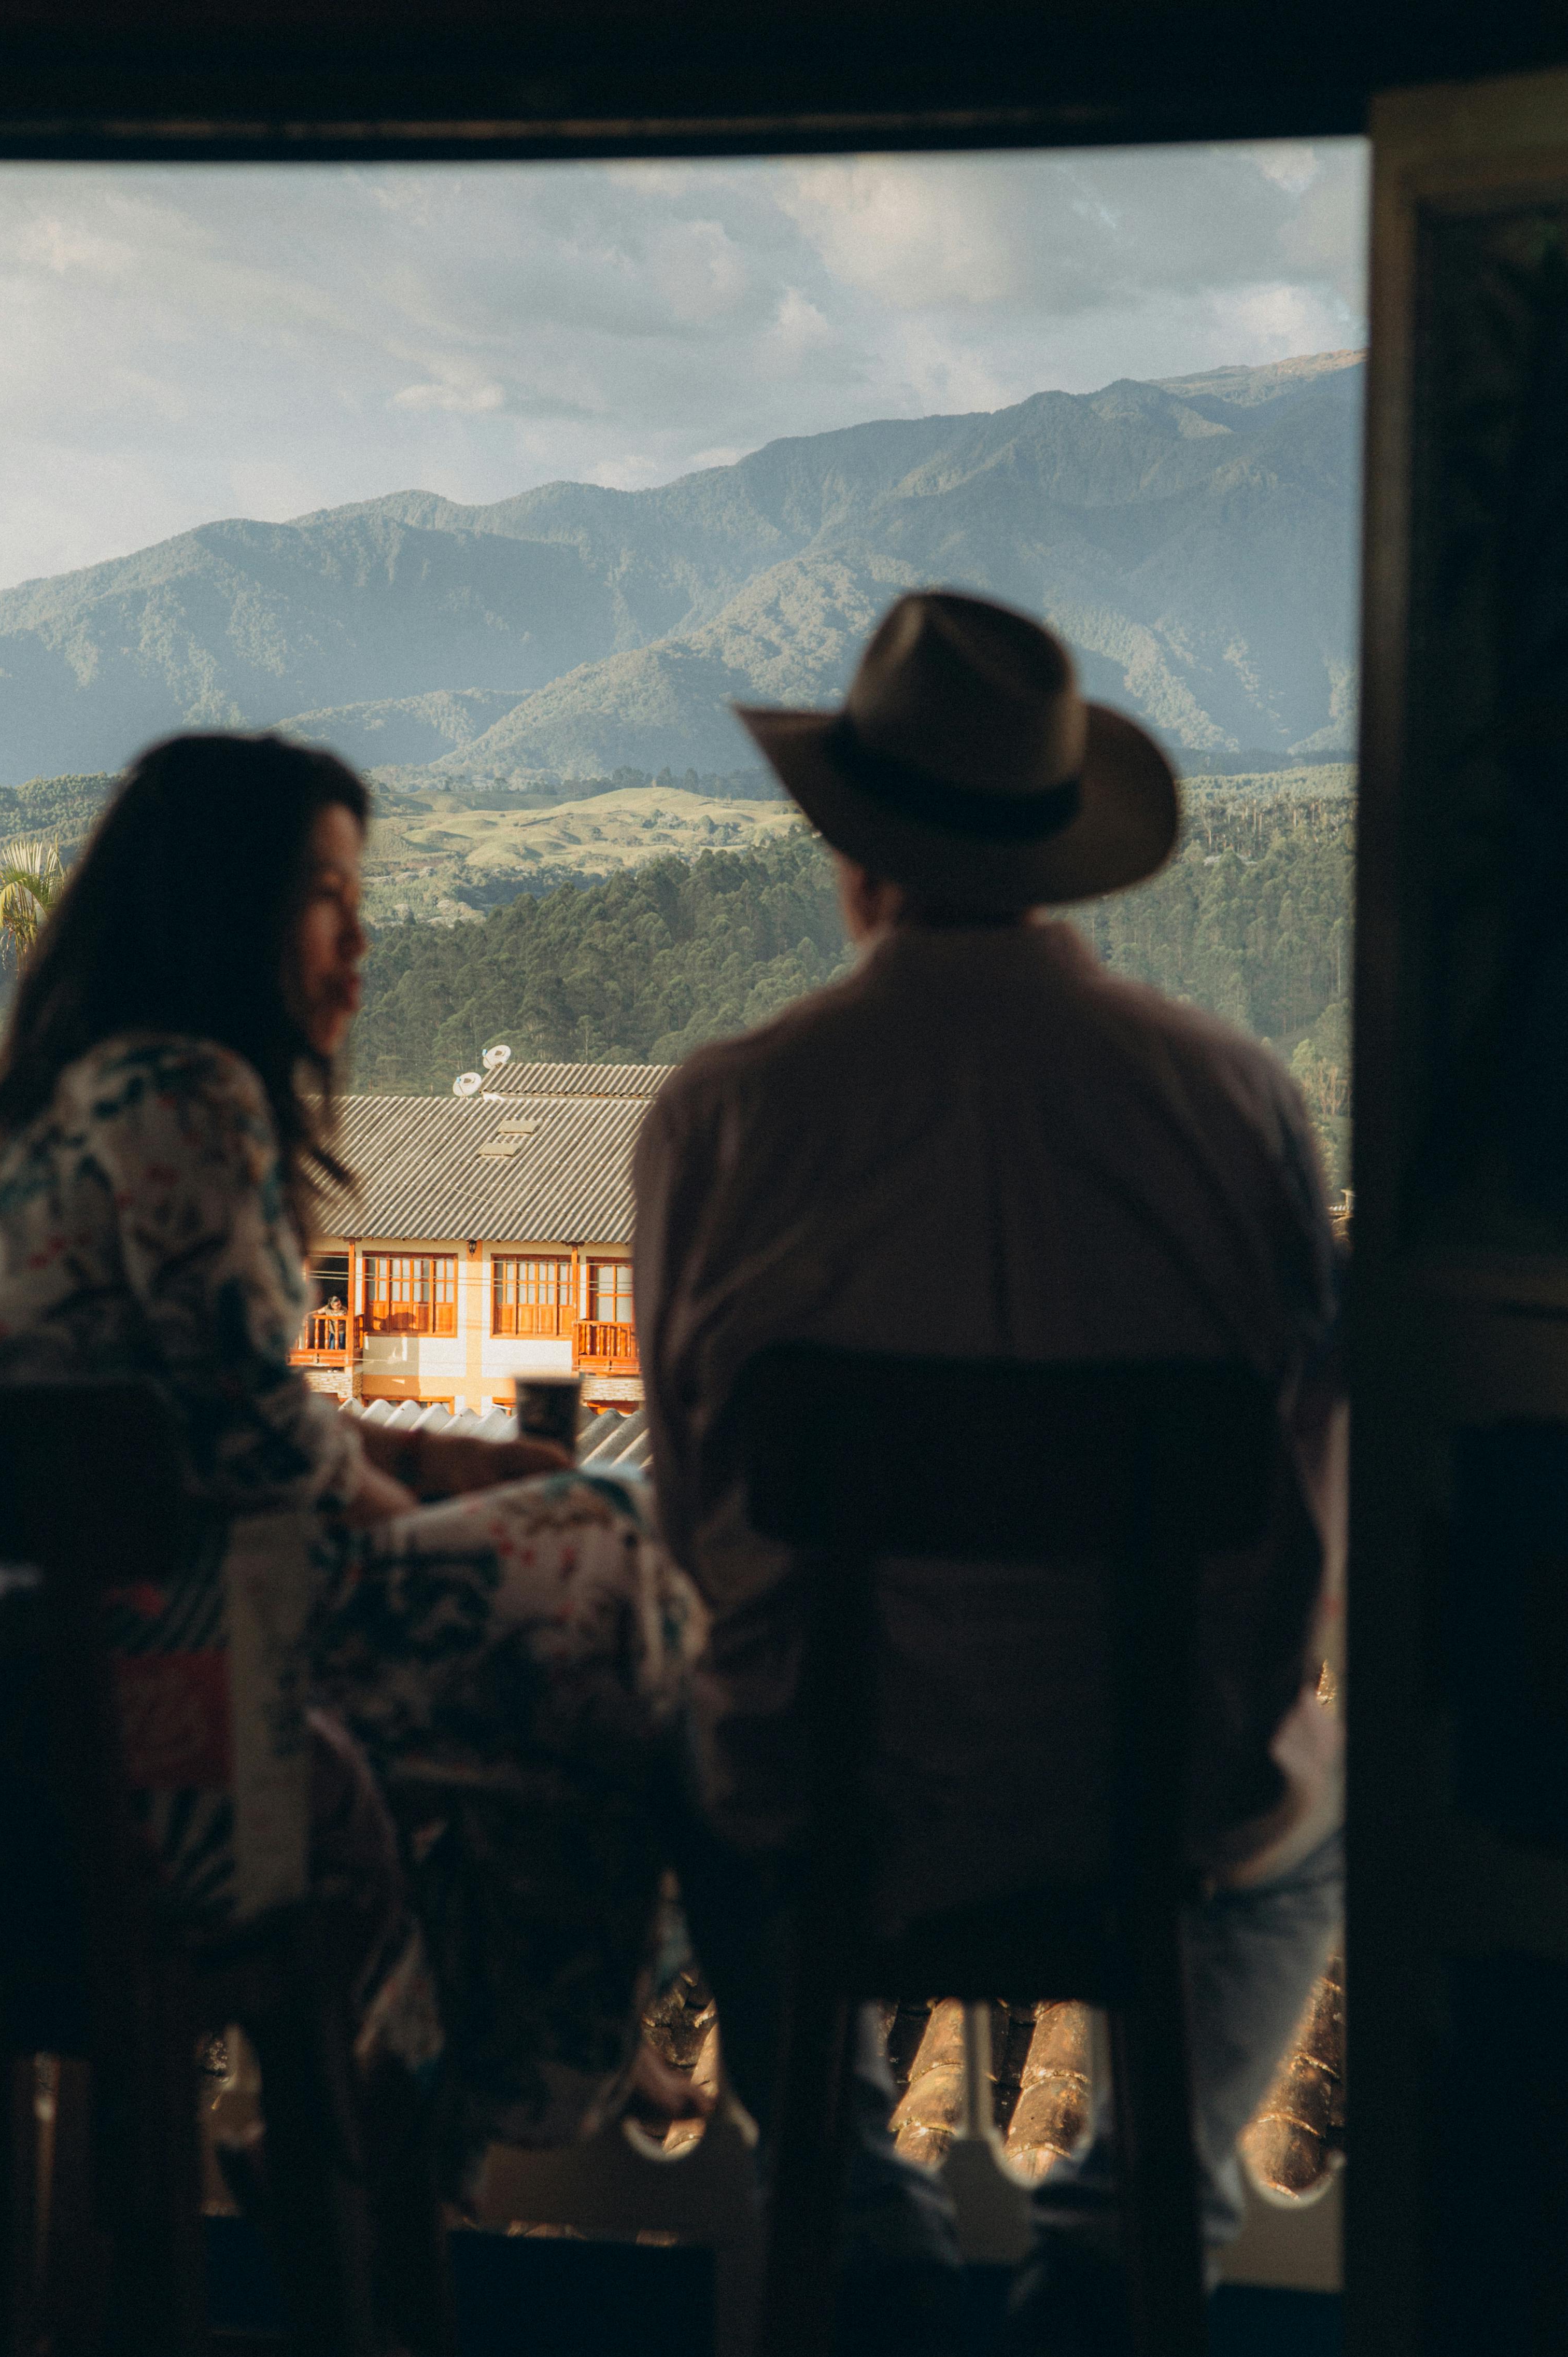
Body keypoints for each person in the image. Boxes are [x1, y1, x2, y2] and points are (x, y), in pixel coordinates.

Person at [634, 592, 1345, 2353]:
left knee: (676, 1726)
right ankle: (1127, 2228)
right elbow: (1295, 1514)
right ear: (1060, 849)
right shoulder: (1236, 1102)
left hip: (826, 1803)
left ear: (852, 850)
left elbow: (694, 1524)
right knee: (1325, 1778)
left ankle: (853, 2218)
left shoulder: (723, 1117)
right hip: (1157, 1804)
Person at [0, 732, 703, 2201]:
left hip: (71, 1667)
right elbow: (254, 1431)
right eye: (327, 894)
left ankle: (421, 2104)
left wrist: (445, 1480)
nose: (362, 935)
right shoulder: (188, 1095)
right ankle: (517, 2073)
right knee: (614, 1562)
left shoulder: (66, 1095)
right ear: (228, 907)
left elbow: (224, 1406)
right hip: (160, 1691)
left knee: (590, 1564)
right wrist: (428, 1501)